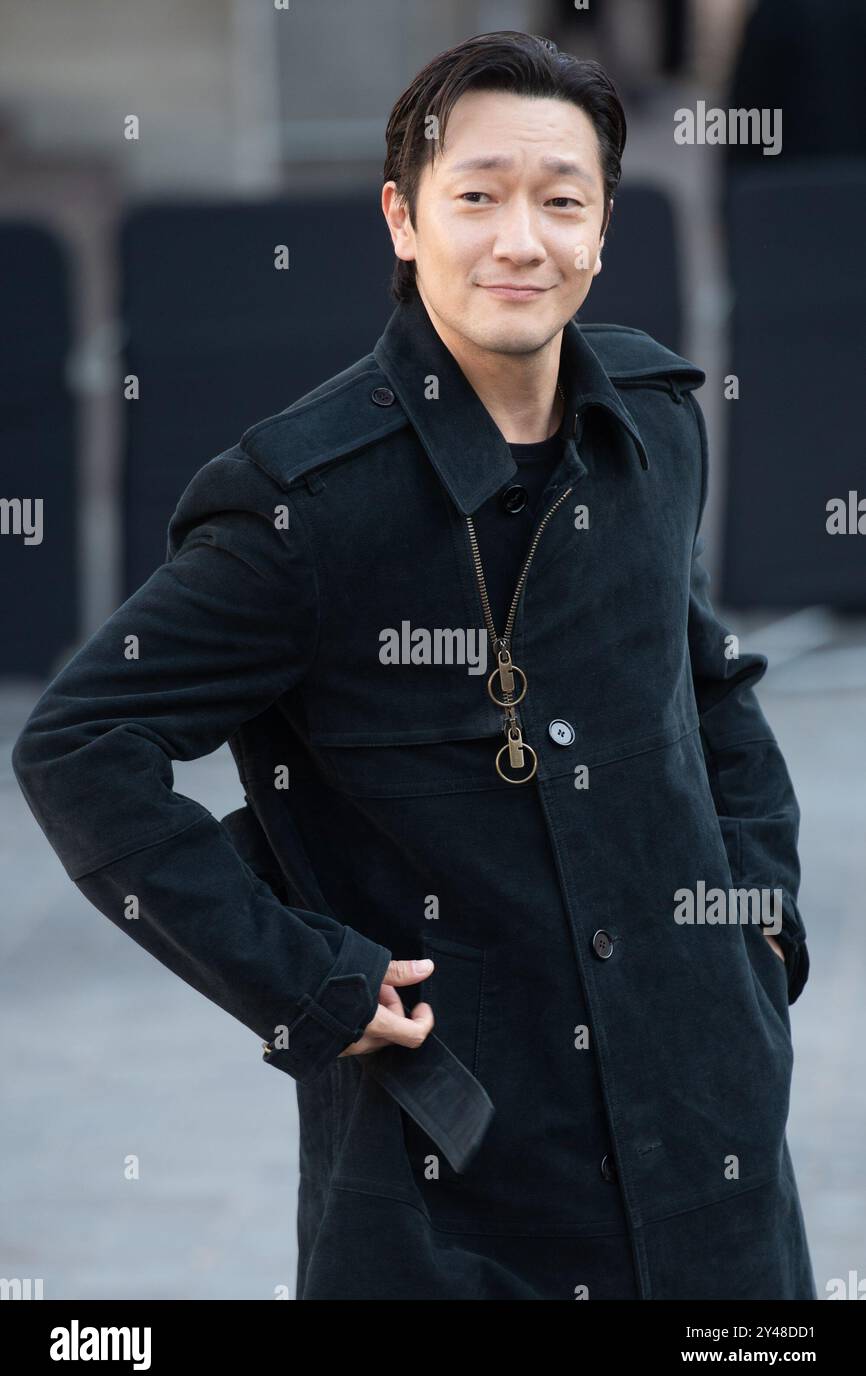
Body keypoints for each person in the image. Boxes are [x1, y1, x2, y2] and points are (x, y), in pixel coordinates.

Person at [12, 30, 815, 1300]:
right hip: (460, 1169)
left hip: (707, 1136)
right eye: (478, 196)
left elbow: (705, 679)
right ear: (401, 216)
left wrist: (756, 924)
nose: (521, 240)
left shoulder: (654, 425)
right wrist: (307, 981)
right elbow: (75, 747)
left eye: (562, 201)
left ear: (603, 227)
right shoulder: (301, 505)